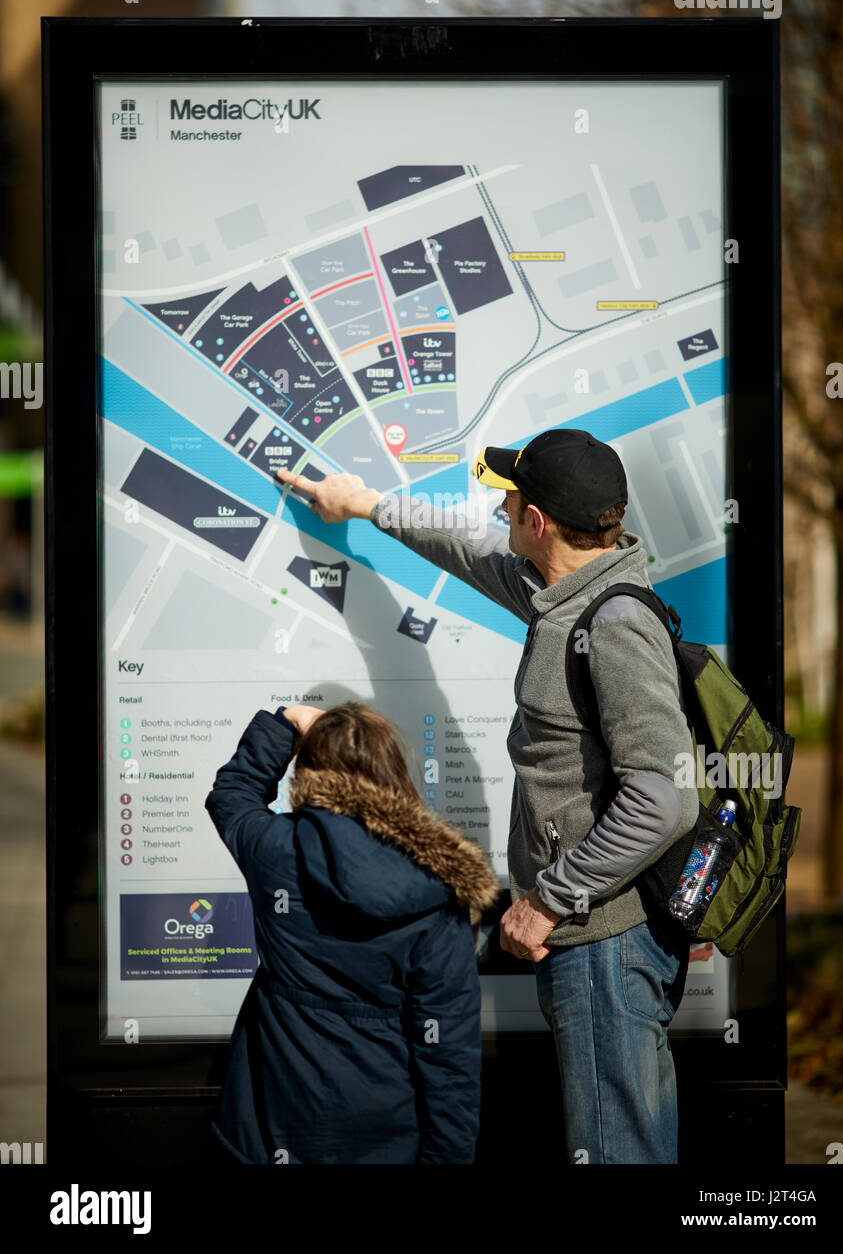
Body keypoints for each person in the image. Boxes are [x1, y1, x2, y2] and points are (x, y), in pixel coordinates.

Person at [277, 427, 698, 1165]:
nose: (500, 508)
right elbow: (470, 550)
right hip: (595, 940)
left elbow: (665, 799)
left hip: (607, 947)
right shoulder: (562, 592)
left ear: (537, 521)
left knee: (615, 1151)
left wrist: (551, 898)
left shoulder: (614, 623)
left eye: (510, 499)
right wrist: (367, 504)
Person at [205, 698, 499, 1164]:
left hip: (269, 1129)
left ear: (310, 777)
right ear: (393, 777)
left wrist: (287, 724)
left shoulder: (278, 852)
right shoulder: (438, 893)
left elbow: (233, 793)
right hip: (385, 1136)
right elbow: (449, 1053)